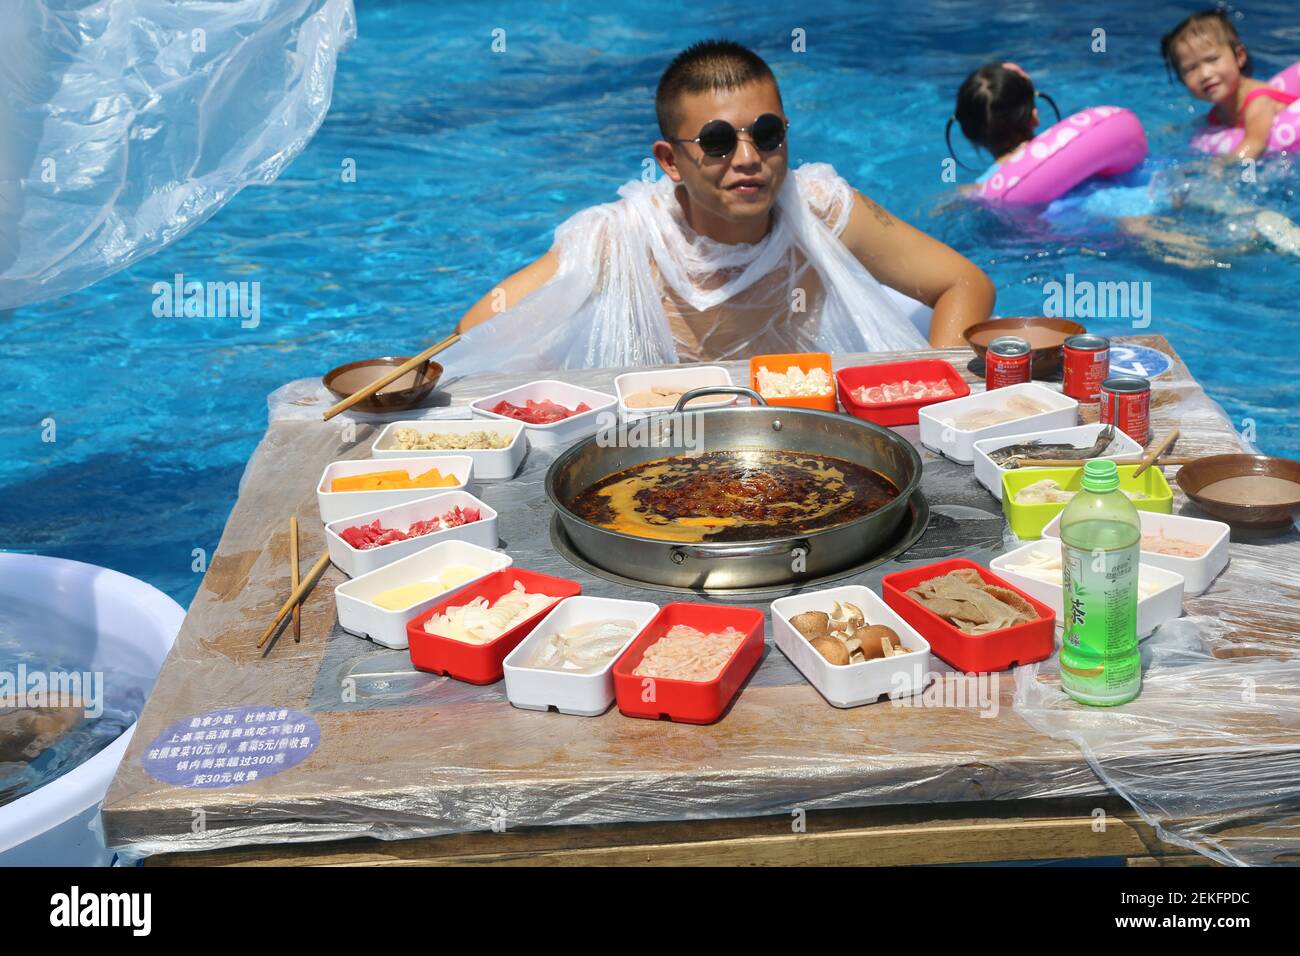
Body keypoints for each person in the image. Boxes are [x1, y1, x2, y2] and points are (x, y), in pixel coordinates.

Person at [453, 40, 995, 371]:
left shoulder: (820, 209)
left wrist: (935, 393)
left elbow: (965, 284)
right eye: (716, 141)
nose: (748, 158)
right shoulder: (623, 238)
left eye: (766, 133)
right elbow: (479, 331)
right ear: (669, 160)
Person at [1161, 9, 1297, 164]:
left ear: (1239, 56)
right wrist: (1179, 129)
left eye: (1212, 59)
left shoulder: (1258, 102)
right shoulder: (1218, 112)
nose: (1205, 74)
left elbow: (1254, 144)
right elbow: (1205, 123)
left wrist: (1221, 167)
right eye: (1191, 69)